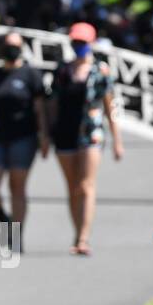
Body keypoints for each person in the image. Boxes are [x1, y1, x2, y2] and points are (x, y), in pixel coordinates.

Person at [49, 22, 123, 256]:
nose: (78, 46)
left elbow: (111, 106)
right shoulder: (62, 70)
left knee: (86, 185)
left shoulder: (100, 70)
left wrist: (117, 139)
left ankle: (84, 238)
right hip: (65, 131)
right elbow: (52, 103)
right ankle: (77, 231)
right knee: (72, 186)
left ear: (91, 43)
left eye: (82, 42)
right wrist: (46, 133)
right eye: (75, 42)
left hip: (91, 132)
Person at [0, 30, 50, 258]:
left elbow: (40, 108)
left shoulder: (30, 75)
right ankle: (3, 217)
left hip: (24, 137)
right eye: (9, 45)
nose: (13, 49)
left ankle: (16, 237)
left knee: (17, 187)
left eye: (16, 45)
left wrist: (44, 136)